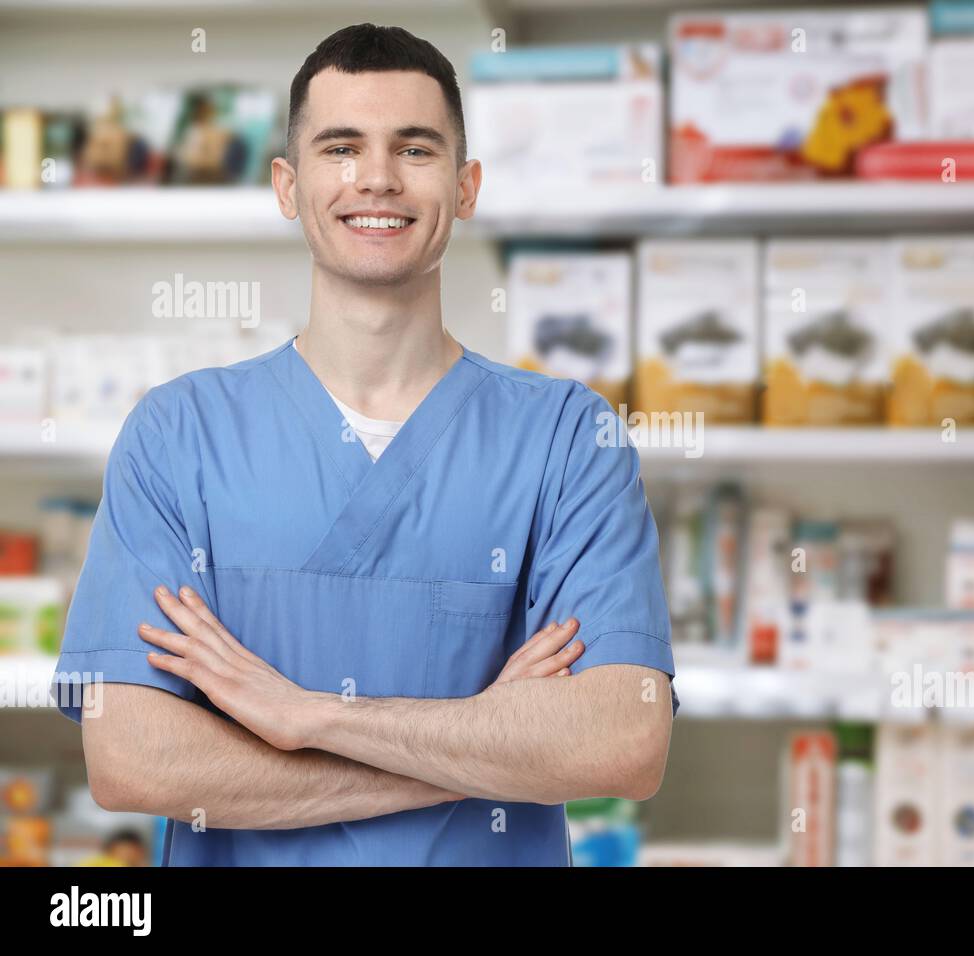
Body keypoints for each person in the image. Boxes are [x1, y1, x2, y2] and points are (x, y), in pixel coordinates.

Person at [51, 23, 676, 866]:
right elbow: (130, 758)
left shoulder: (568, 438)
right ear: (287, 184)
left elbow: (620, 740)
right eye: (340, 147)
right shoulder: (178, 436)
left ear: (466, 187)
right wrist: (482, 744)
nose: (375, 178)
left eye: (415, 150)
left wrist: (312, 716)